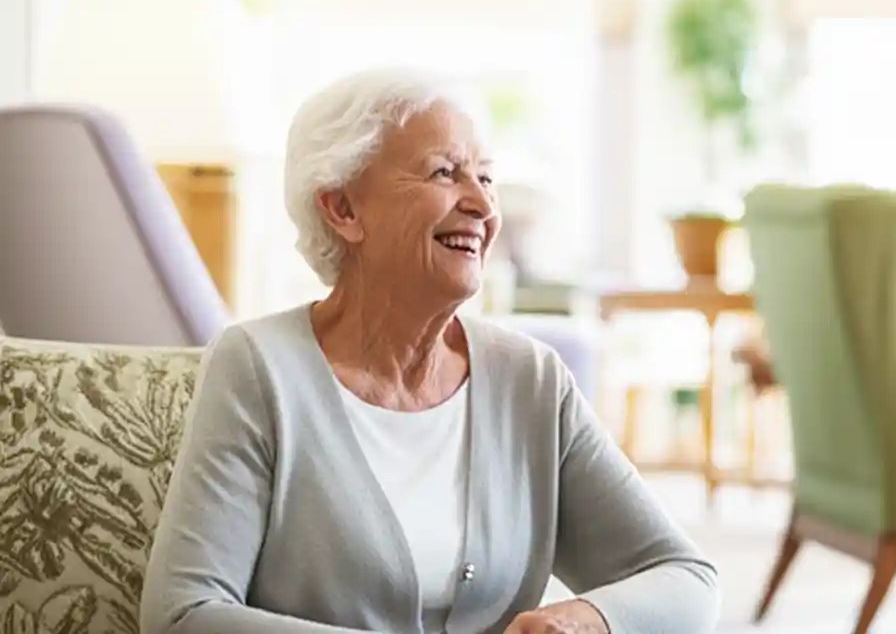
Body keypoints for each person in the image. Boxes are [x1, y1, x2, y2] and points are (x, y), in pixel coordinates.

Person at [139, 69, 719, 634]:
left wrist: (582, 620)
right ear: (343, 209)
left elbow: (686, 580)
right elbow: (184, 613)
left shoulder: (530, 381)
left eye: (486, 179)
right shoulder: (258, 369)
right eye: (445, 173)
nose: (483, 206)